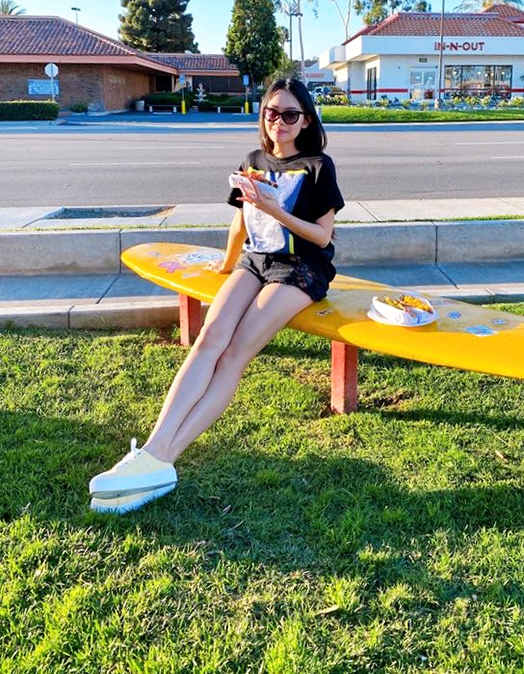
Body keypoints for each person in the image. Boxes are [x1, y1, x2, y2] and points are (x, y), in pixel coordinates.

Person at [89, 78, 345, 514]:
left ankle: (161, 463)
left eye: (290, 114)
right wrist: (226, 265)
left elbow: (322, 237)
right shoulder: (251, 161)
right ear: (262, 115)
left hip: (302, 267)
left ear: (305, 120)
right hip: (255, 261)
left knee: (234, 354)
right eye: (271, 112)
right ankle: (151, 449)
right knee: (210, 340)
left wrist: (276, 210)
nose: (279, 122)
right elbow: (241, 224)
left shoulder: (319, 165)